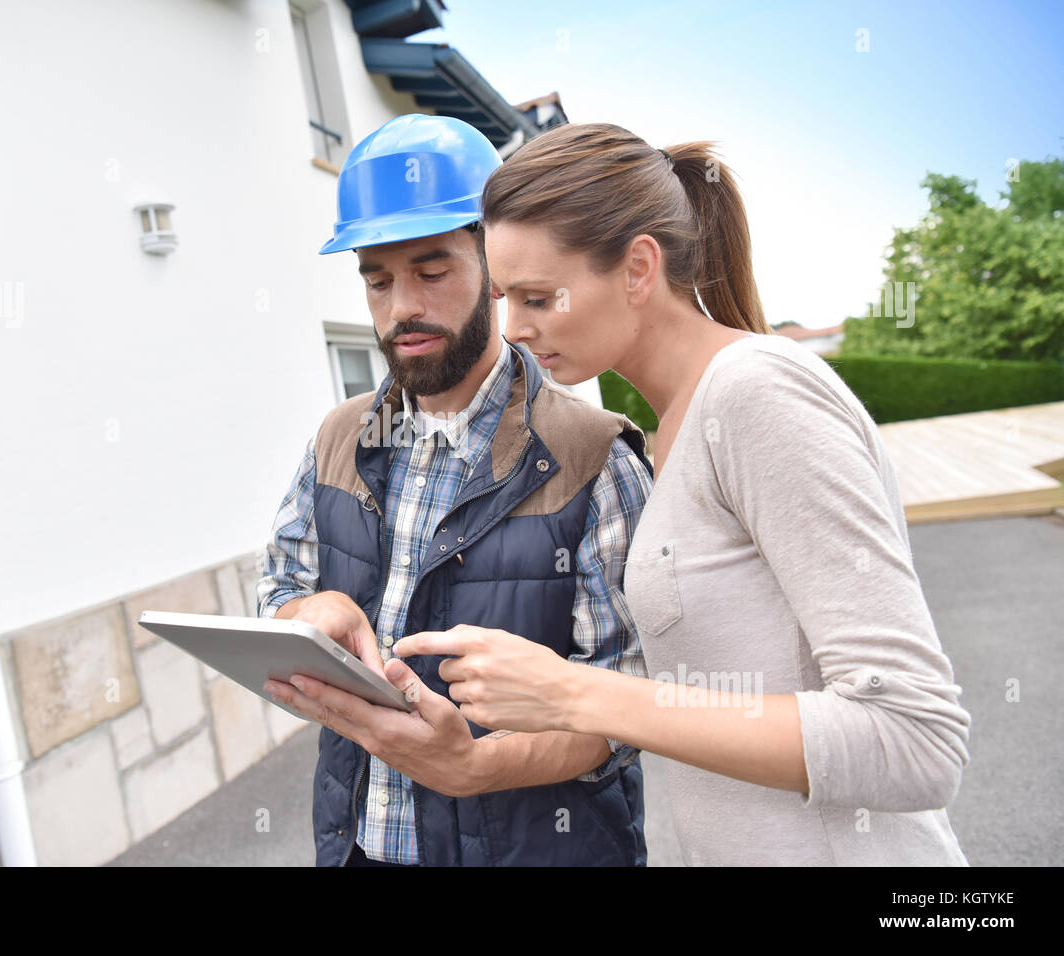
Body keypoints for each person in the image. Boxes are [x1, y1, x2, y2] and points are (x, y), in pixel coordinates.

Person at [395, 123, 972, 866]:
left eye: (538, 296)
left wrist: (575, 692)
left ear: (638, 268)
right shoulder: (671, 428)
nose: (515, 330)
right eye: (505, 298)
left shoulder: (756, 392)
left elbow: (915, 738)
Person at [255, 114, 656, 866]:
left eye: (431, 272)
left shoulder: (593, 458)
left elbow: (629, 707)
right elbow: (276, 588)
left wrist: (478, 768)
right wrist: (306, 611)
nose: (401, 305)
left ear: (494, 269)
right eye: (378, 279)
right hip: (357, 850)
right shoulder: (337, 442)